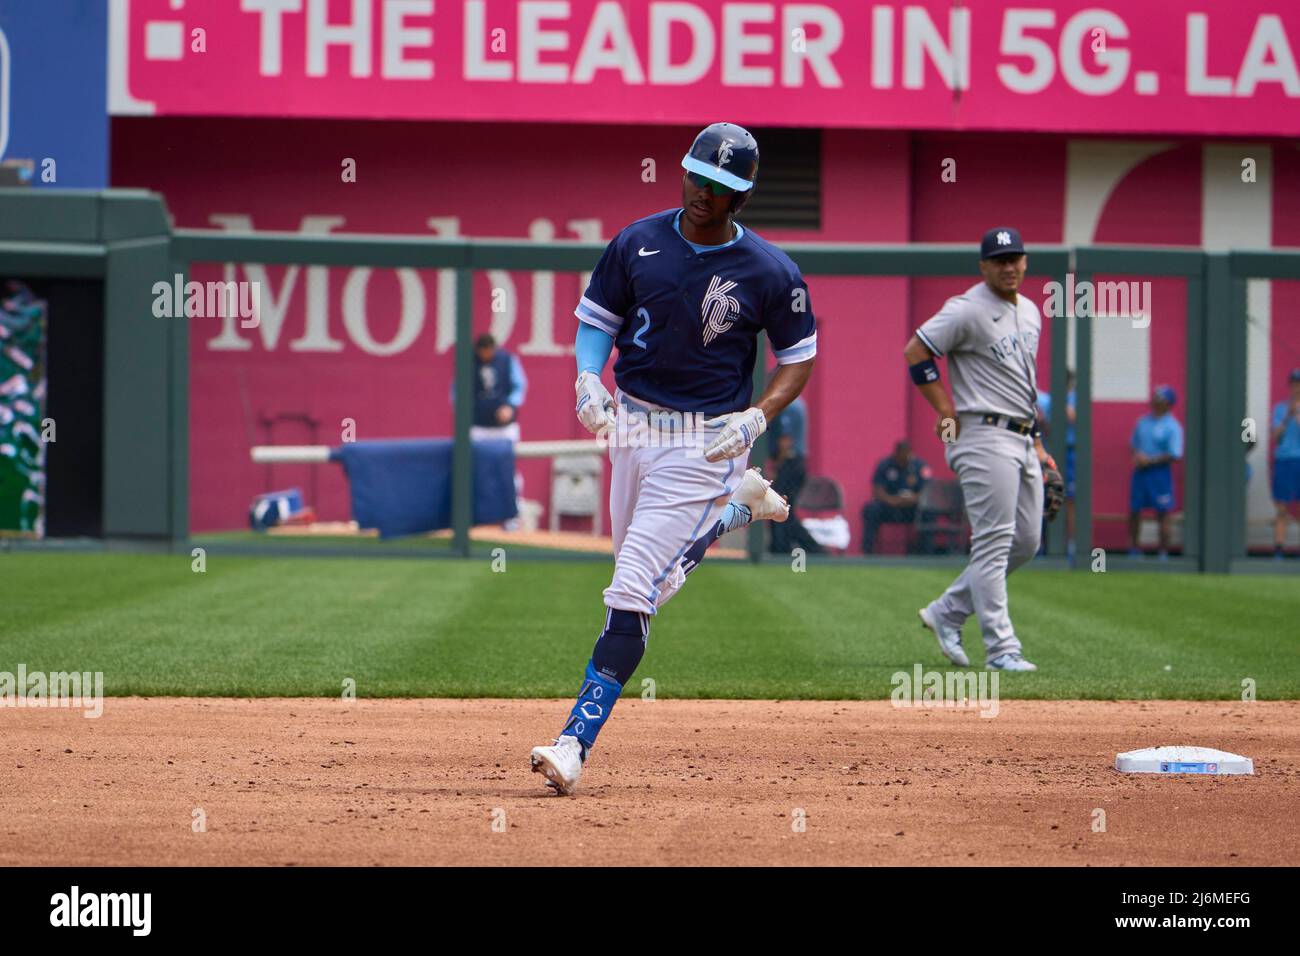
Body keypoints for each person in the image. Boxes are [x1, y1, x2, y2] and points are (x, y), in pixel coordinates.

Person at [530, 123, 817, 795]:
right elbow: (597, 319)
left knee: (630, 591)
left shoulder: (771, 271)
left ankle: (574, 742)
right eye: (695, 177)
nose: (701, 193)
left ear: (739, 198)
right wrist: (586, 378)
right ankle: (732, 515)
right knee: (646, 586)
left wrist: (757, 415)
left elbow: (798, 358)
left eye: (718, 187)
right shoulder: (637, 240)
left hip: (707, 439)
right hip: (630, 426)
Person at [903, 226, 1055, 672]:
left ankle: (947, 612)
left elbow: (1024, 385)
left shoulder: (1029, 311)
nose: (1009, 267)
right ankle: (1002, 649)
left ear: (1025, 262)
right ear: (983, 266)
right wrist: (944, 408)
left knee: (1026, 543)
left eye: (1015, 258)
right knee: (993, 543)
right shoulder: (966, 309)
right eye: (999, 260)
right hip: (981, 433)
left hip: (1023, 435)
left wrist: (1040, 444)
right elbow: (916, 351)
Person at [1128, 385, 1184, 560]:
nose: (1155, 402)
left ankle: (1163, 552)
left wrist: (1151, 460)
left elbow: (1175, 454)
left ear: (1168, 404)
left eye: (1160, 399)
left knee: (1163, 512)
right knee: (1135, 510)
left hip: (1159, 474)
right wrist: (1138, 456)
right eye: (1155, 398)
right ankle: (1134, 549)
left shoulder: (1172, 426)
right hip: (1141, 473)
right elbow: (1134, 444)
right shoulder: (1143, 422)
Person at [861, 440, 928, 553]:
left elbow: (928, 491)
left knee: (928, 512)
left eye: (907, 456)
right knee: (870, 509)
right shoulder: (884, 465)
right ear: (895, 454)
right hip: (890, 506)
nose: (904, 460)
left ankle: (925, 552)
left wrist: (914, 498)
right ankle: (868, 552)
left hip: (912, 508)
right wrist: (891, 500)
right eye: (902, 457)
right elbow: (877, 490)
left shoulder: (920, 466)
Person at [769, 430, 824, 556]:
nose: (783, 443)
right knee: (784, 522)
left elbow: (791, 482)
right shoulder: (778, 458)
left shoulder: (795, 461)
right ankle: (783, 548)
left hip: (788, 494)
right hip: (777, 500)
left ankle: (816, 551)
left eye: (786, 440)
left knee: (788, 520)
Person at [467, 333, 526, 444]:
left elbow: (519, 386)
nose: (486, 354)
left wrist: (510, 406)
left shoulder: (507, 360)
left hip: (505, 428)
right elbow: (457, 392)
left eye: (489, 350)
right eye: (483, 351)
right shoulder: (468, 363)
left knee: (505, 459)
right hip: (478, 427)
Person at [1270, 367, 1300, 558]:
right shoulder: (1280, 409)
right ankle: (1279, 548)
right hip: (1284, 460)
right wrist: (1289, 415)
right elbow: (1276, 436)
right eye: (1294, 384)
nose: (1296, 388)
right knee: (1282, 507)